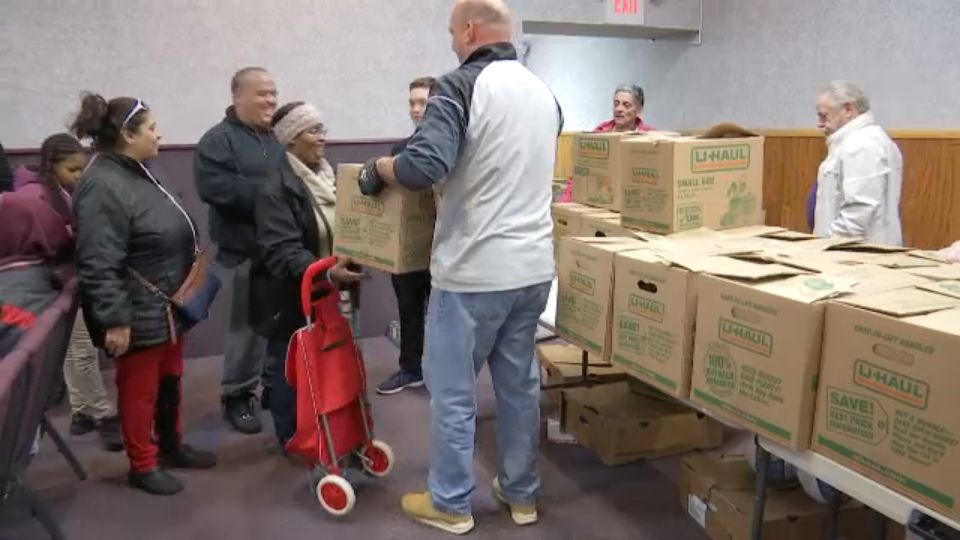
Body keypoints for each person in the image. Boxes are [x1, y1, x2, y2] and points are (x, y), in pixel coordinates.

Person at [359, 0, 562, 533]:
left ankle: (450, 503)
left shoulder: (459, 85)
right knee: (518, 389)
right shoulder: (544, 92)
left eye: (453, 32)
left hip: (473, 271)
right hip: (533, 269)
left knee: (452, 395)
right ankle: (521, 494)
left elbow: (423, 165)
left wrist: (380, 167)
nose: (452, 41)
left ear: (469, 30)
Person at [72, 93, 217, 495]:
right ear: (127, 135)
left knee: (170, 377)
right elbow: (98, 260)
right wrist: (114, 319)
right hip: (135, 308)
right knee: (139, 391)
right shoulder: (102, 185)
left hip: (168, 303)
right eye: (152, 128)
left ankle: (170, 446)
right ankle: (143, 465)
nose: (160, 134)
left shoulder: (139, 171)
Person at [250, 101, 363, 447]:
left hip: (333, 293)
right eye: (313, 131)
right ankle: (292, 437)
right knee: (291, 369)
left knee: (333, 362)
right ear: (291, 138)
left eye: (321, 129)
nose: (322, 137)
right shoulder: (275, 189)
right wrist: (326, 275)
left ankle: (330, 427)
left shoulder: (332, 179)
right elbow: (283, 251)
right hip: (292, 296)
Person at [12, 134, 123, 451]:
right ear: (52, 165)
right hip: (53, 283)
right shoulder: (34, 197)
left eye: (81, 169)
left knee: (76, 350)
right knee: (81, 350)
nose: (78, 176)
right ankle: (102, 413)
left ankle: (81, 411)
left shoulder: (60, 192)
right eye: (72, 170)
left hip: (68, 278)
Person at [195, 67, 283, 434]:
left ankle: (273, 387)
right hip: (241, 252)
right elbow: (215, 189)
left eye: (273, 93)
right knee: (246, 330)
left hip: (279, 251)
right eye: (262, 93)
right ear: (237, 97)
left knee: (278, 325)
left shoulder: (278, 137)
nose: (271, 100)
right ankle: (236, 395)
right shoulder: (217, 140)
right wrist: (275, 193)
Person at [376, 76, 438, 396]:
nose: (415, 109)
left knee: (444, 315)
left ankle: (443, 373)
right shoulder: (401, 150)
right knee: (409, 308)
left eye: (422, 103)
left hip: (442, 246)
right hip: (408, 247)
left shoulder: (450, 148)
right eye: (412, 103)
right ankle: (410, 369)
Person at [811, 80, 903, 245]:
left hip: (853, 252)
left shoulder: (861, 144)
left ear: (848, 110)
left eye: (824, 116)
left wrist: (826, 244)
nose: (820, 123)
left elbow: (860, 212)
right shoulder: (866, 140)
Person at [559, 83, 654, 202]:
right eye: (616, 104)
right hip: (602, 199)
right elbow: (579, 171)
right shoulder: (600, 133)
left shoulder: (650, 138)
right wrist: (565, 203)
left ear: (639, 110)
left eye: (626, 105)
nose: (619, 109)